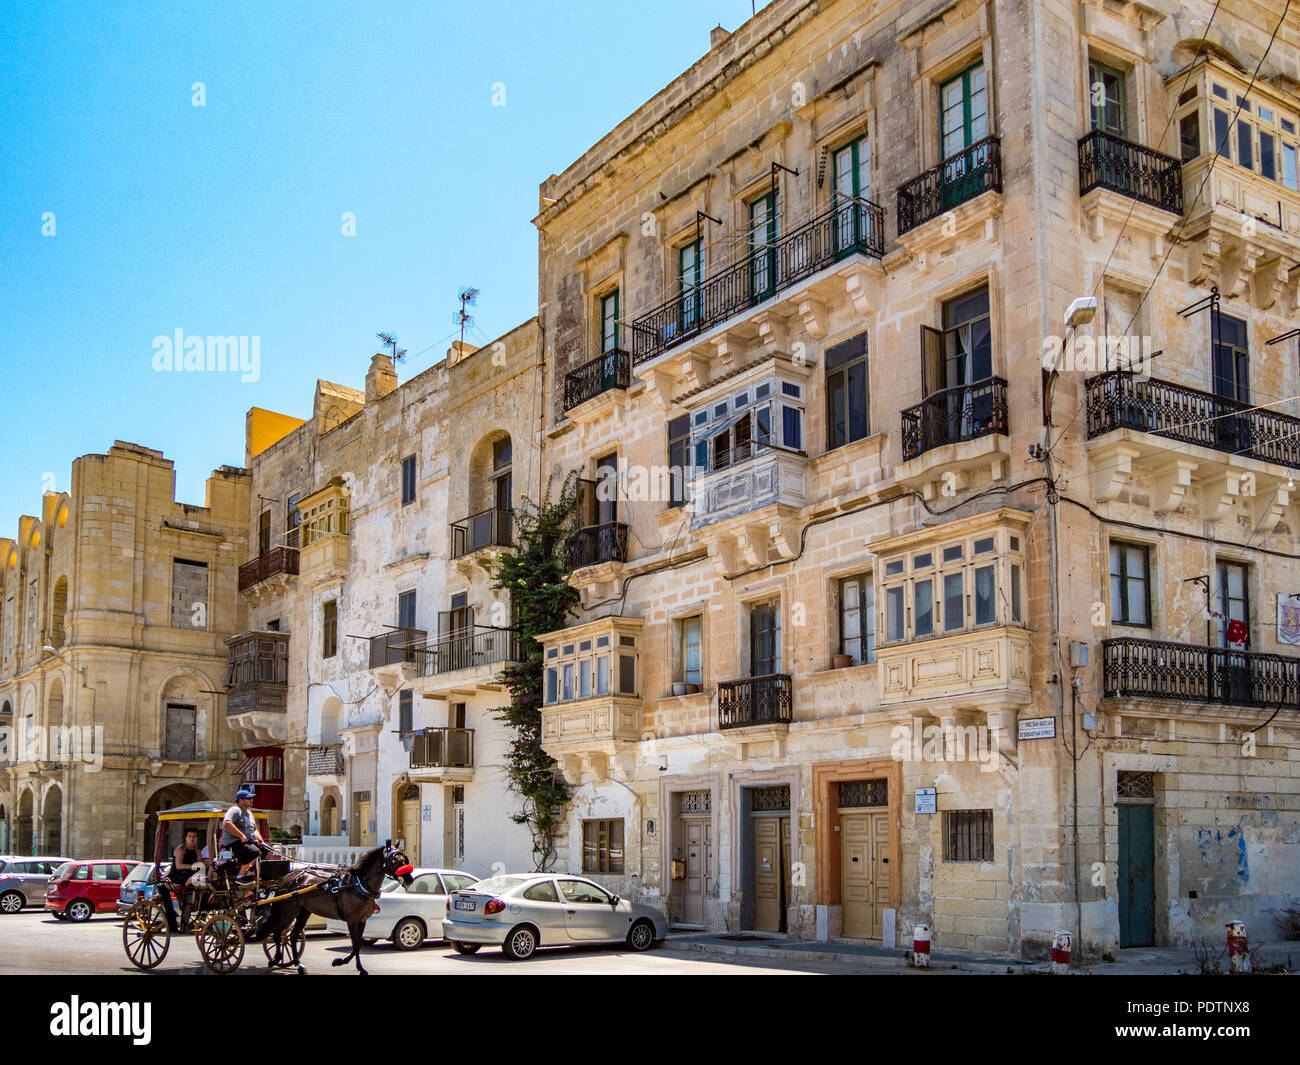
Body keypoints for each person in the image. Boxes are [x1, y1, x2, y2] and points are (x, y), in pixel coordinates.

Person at [222, 786, 270, 884]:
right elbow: (227, 823)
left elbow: (254, 829)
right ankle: (240, 877)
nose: (252, 800)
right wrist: (241, 835)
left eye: (252, 798)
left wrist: (261, 840)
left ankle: (262, 875)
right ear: (241, 800)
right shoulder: (235, 810)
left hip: (248, 842)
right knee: (254, 852)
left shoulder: (250, 813)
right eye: (249, 798)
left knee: (268, 850)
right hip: (234, 842)